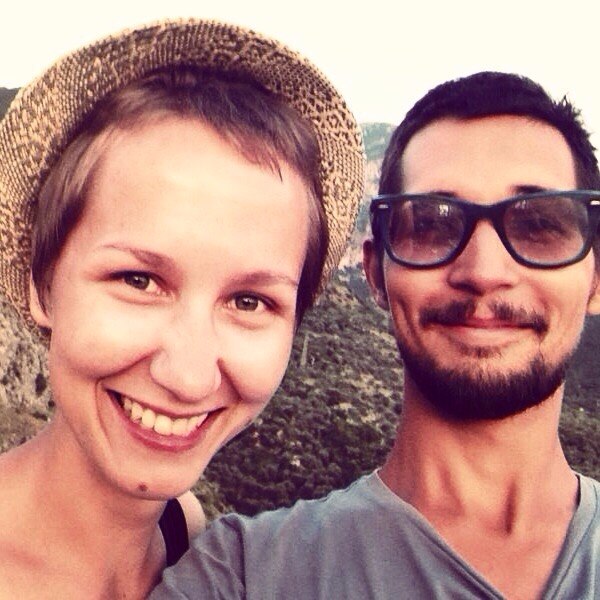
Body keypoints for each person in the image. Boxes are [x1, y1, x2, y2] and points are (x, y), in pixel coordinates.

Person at [153, 72, 600, 599]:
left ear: (595, 277)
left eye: (539, 227)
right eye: (432, 225)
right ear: (374, 273)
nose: (484, 271)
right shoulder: (244, 576)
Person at [0, 19, 364, 598]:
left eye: (249, 301)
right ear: (40, 286)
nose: (189, 378)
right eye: (138, 280)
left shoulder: (184, 531)